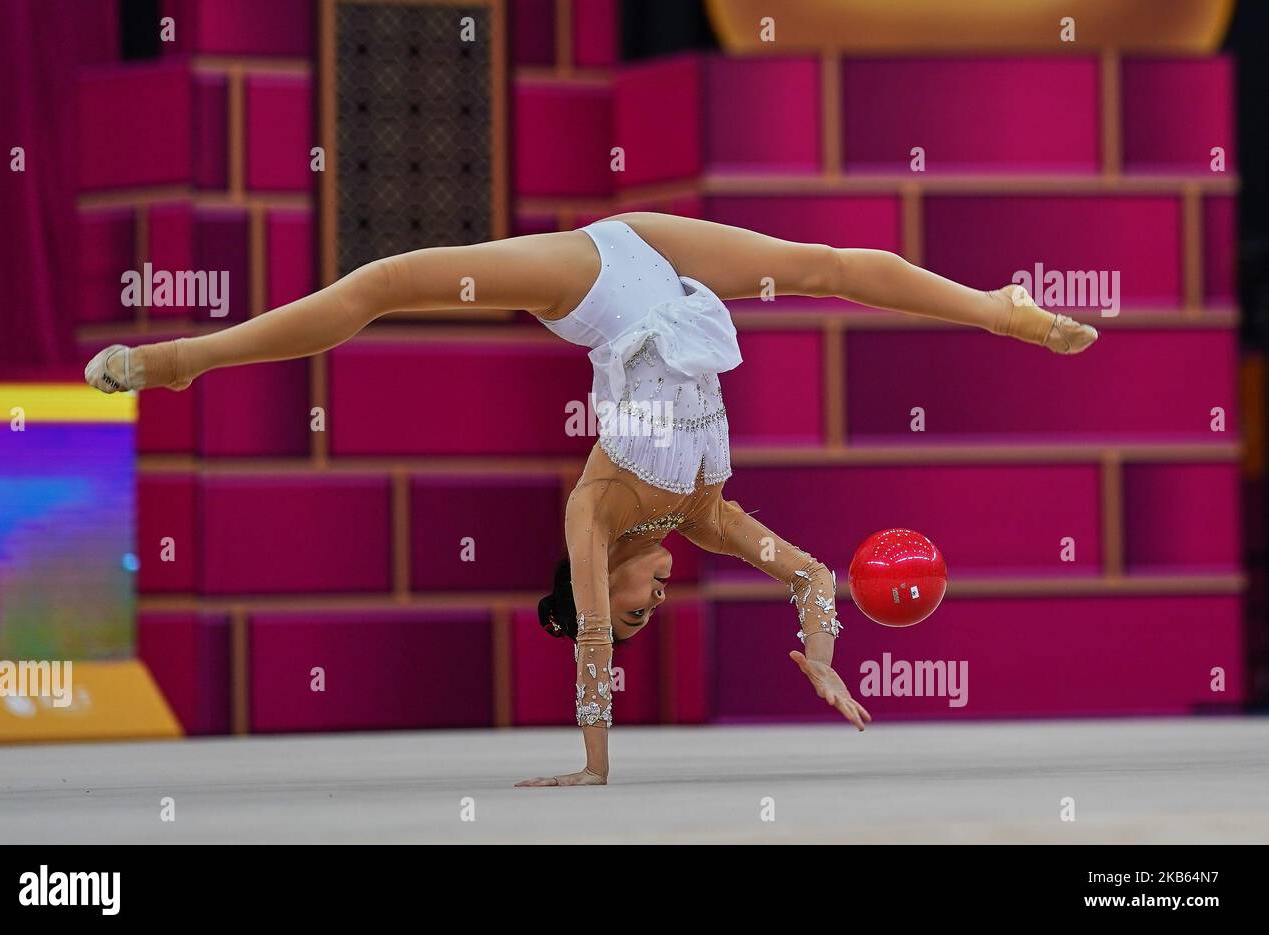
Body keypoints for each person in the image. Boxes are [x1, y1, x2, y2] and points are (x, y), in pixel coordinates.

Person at [85, 212, 1098, 786]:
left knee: (384, 281)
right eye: (655, 606)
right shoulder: (699, 514)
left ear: (602, 582)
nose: (658, 595)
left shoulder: (595, 513)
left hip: (604, 285)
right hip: (671, 280)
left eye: (638, 603)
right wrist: (825, 654)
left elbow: (592, 645)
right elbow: (812, 576)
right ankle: (998, 312)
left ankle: (182, 357)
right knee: (821, 265)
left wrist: (594, 763)